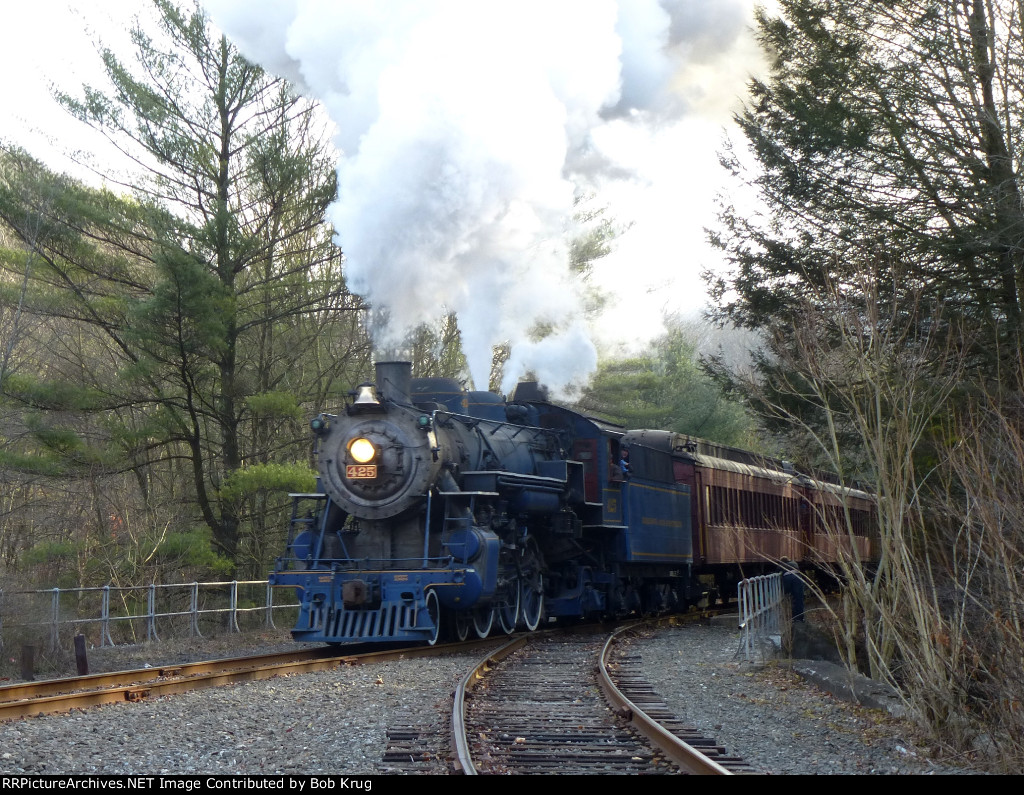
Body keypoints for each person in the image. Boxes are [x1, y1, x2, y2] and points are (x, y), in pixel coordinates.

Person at [780, 556, 805, 622]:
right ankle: (800, 617)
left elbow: (778, 571)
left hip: (787, 578)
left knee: (789, 596)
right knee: (799, 598)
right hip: (797, 578)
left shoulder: (782, 565)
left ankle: (792, 616)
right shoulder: (794, 563)